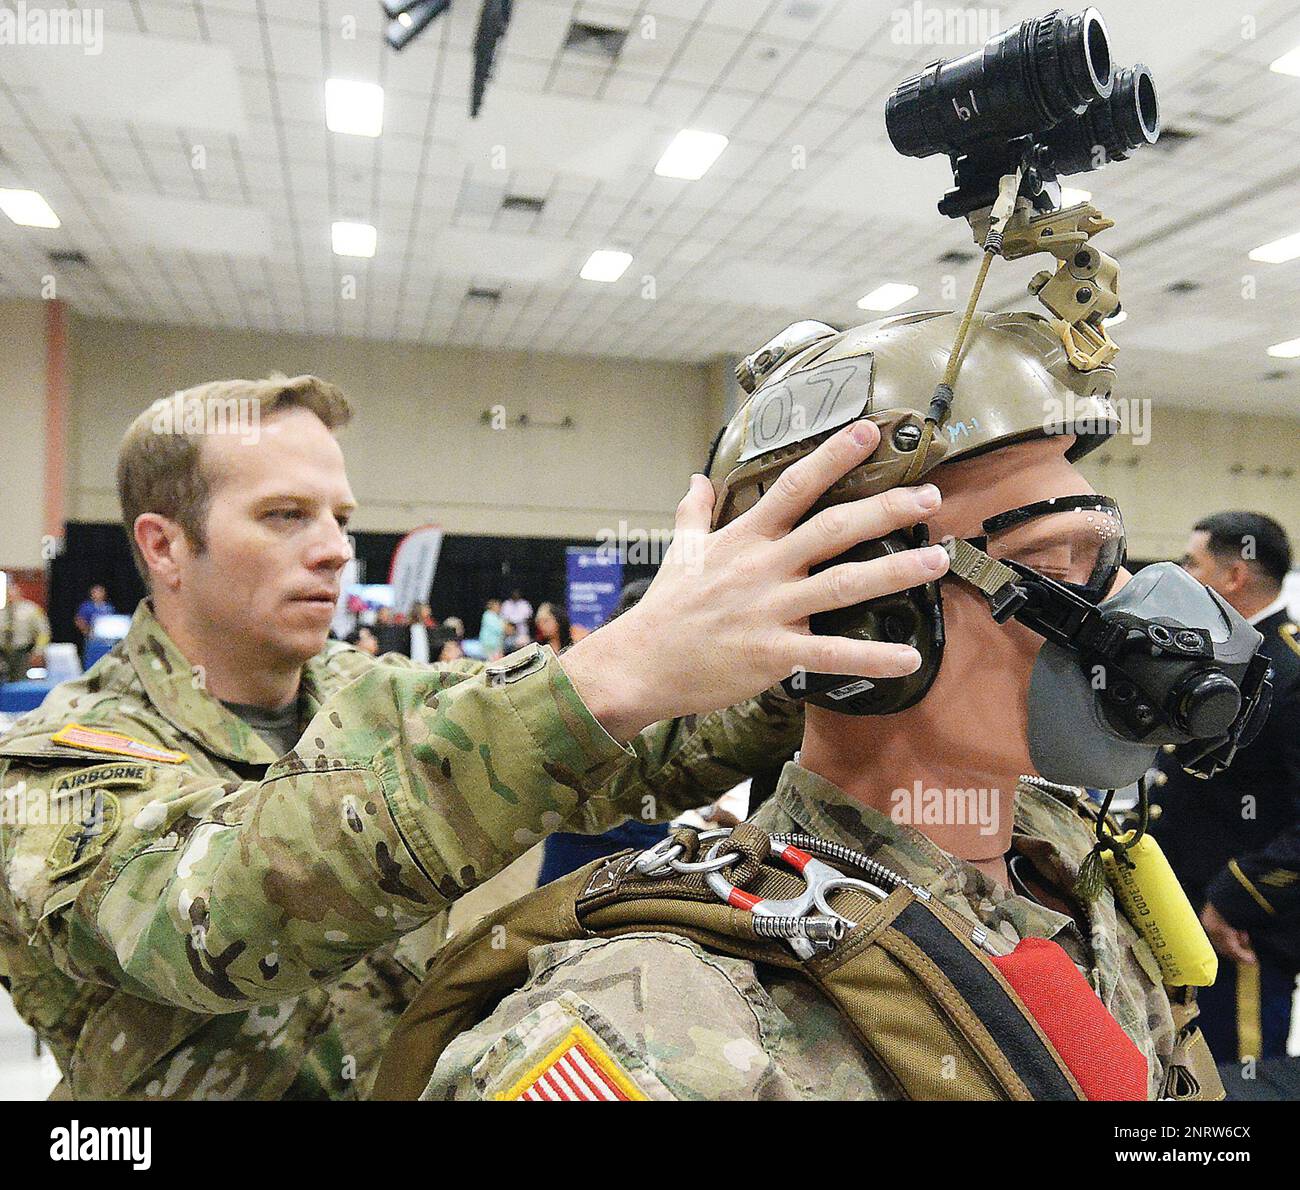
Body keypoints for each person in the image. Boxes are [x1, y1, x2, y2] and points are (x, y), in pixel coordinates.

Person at [0, 373, 936, 1100]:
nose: (332, 547)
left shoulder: (379, 696)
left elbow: (650, 759)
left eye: (339, 517)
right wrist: (602, 675)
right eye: (285, 515)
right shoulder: (59, 762)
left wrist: (808, 651)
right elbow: (205, 919)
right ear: (164, 545)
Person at [387, 310, 1243, 1103]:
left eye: (1111, 556)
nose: (1126, 603)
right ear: (862, 617)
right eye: (1059, 564)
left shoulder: (1069, 861)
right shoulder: (661, 1025)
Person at [1151, 512, 1300, 1068]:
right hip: (1183, 918)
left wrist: (1232, 898)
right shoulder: (1223, 657)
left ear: (1234, 575)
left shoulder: (1291, 671)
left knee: (1240, 1078)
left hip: (1239, 931)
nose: (1183, 574)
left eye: (1194, 563)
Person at [0, 581, 50, 683]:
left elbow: (43, 633)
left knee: (19, 681)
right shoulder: (1, 610)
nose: (10, 595)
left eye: (12, 592)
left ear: (19, 592)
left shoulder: (32, 609)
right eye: (7, 593)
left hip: (21, 652)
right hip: (2, 652)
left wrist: (38, 651)